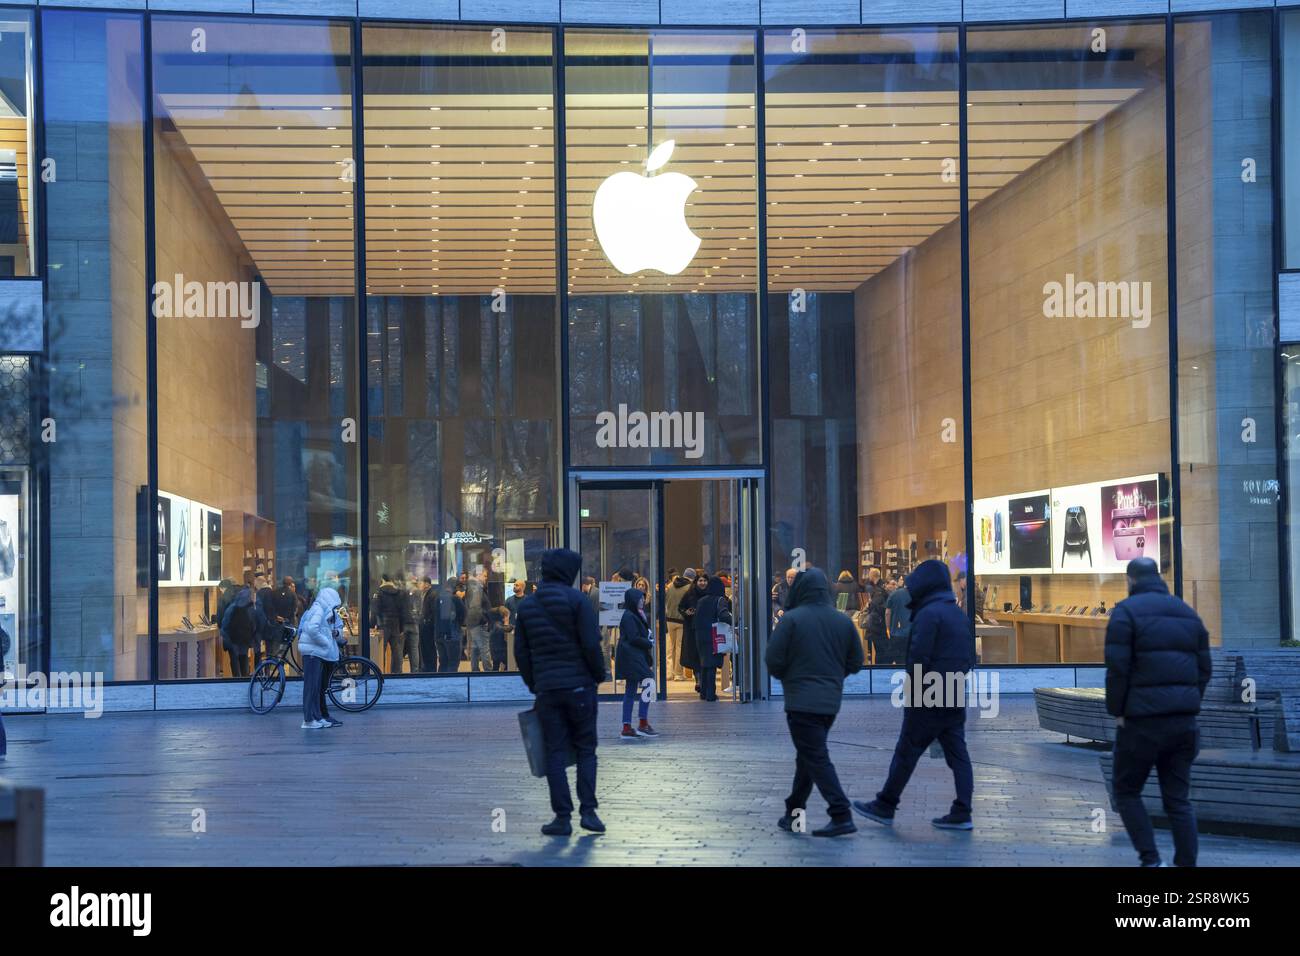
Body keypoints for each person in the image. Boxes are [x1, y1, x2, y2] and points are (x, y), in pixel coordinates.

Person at [854, 558, 977, 831]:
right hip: (953, 691)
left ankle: (886, 804)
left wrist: (914, 691)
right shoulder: (955, 613)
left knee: (907, 750)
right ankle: (962, 811)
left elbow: (918, 658)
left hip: (927, 696)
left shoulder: (928, 613)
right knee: (958, 753)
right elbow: (969, 657)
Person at [1106, 556, 1211, 868]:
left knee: (1126, 791)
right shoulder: (1188, 613)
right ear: (1158, 577)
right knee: (1178, 799)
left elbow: (1117, 668)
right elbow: (1205, 669)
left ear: (1130, 580)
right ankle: (1186, 863)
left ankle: (1151, 860)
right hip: (1183, 723)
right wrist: (1190, 703)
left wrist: (1118, 711)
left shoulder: (1125, 613)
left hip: (1141, 722)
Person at [513, 547, 606, 836]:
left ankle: (562, 817)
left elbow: (521, 652)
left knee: (554, 751)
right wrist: (597, 675)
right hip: (579, 686)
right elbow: (591, 645)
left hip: (548, 690)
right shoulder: (578, 601)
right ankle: (588, 812)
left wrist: (534, 683)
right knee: (586, 749)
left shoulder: (527, 606)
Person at [767, 567, 865, 837]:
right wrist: (834, 676)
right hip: (830, 702)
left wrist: (790, 678)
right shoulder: (842, 621)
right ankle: (793, 812)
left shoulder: (792, 620)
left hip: (800, 701)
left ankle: (841, 812)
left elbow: (773, 660)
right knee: (808, 755)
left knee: (815, 756)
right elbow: (856, 661)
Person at [297, 586, 346, 730]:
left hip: (315, 652)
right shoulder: (318, 610)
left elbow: (322, 628)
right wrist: (324, 642)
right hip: (313, 653)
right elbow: (312, 629)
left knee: (315, 687)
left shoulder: (323, 610)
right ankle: (309, 720)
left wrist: (332, 635)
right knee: (311, 687)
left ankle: (316, 717)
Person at [615, 587, 659, 741]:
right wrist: (649, 642)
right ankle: (642, 723)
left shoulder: (634, 614)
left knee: (631, 688)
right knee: (649, 682)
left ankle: (627, 727)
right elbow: (633, 638)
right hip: (632, 656)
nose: (642, 601)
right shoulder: (630, 616)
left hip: (631, 656)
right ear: (633, 600)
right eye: (640, 598)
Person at [692, 574, 729, 701]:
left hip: (700, 635)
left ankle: (703, 693)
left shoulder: (701, 600)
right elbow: (723, 615)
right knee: (711, 665)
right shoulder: (720, 600)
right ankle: (710, 694)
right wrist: (734, 620)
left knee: (704, 664)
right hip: (713, 635)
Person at [371, 574, 406, 675]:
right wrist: (402, 626)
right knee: (397, 652)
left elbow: (375, 611)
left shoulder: (379, 593)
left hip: (383, 625)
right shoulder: (399, 593)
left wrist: (372, 625)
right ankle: (397, 673)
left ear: (382, 580)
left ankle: (380, 673)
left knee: (381, 651)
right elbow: (403, 611)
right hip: (396, 624)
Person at [664, 569, 692, 681]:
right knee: (680, 647)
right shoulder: (689, 587)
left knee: (671, 647)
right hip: (682, 620)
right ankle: (678, 673)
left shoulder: (670, 585)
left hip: (669, 620)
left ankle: (669, 673)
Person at [464, 569, 492, 672]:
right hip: (479, 624)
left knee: (475, 648)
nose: (486, 578)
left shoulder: (472, 588)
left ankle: (475, 670)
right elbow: (475, 608)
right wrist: (484, 619)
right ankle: (488, 672)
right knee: (484, 648)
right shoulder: (476, 588)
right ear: (479, 575)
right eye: (484, 576)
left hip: (474, 624)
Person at [435, 580, 464, 672]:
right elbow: (462, 615)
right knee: (453, 663)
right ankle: (451, 685)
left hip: (439, 635)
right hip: (453, 635)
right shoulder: (455, 599)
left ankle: (441, 684)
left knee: (443, 662)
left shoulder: (437, 598)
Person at [884, 574, 913, 666]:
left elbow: (887, 613)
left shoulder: (894, 594)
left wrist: (888, 628)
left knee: (897, 661)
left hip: (896, 633)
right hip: (912, 633)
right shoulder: (919, 595)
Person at [862, 568, 887, 664]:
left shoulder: (878, 590)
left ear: (872, 575)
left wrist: (869, 605)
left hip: (877, 624)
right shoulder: (880, 587)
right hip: (881, 623)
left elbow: (875, 606)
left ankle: (879, 670)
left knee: (880, 651)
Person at [419, 576, 439, 673]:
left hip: (429, 627)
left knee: (429, 648)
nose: (419, 585)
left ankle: (430, 668)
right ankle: (427, 667)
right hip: (425, 626)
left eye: (421, 583)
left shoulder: (432, 594)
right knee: (425, 648)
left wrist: (427, 621)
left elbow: (433, 612)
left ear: (427, 584)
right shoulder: (426, 594)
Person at [488, 607, 509, 672]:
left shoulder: (495, 624)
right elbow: (505, 630)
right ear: (504, 617)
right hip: (500, 651)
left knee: (495, 666)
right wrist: (506, 623)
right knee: (509, 663)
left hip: (495, 650)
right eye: (507, 617)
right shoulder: (498, 625)